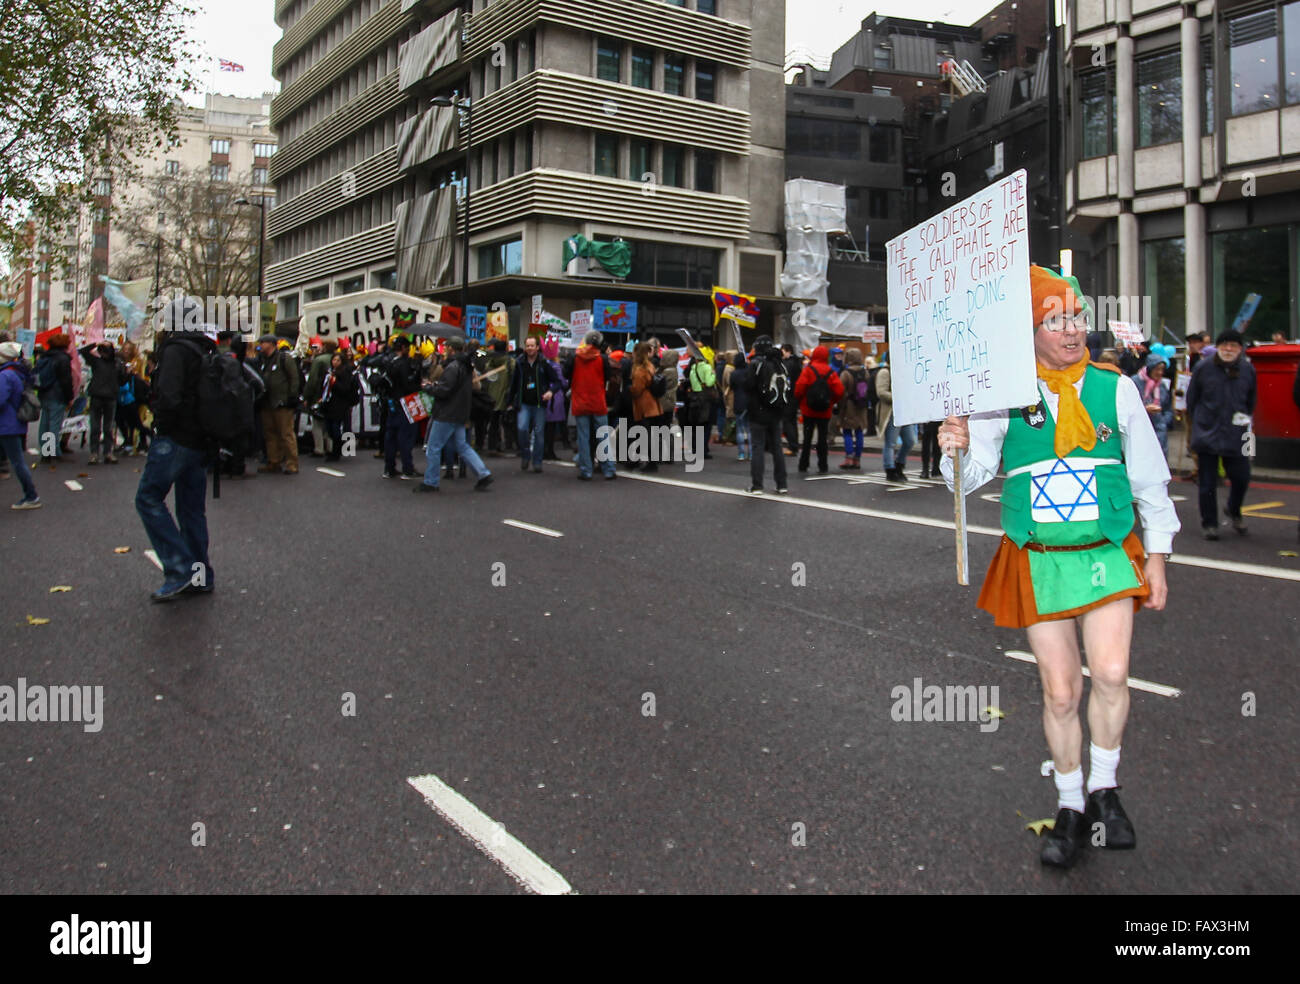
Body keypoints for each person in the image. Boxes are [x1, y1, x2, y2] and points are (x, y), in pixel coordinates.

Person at [938, 265, 1179, 869]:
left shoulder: (1116, 387)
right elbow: (971, 481)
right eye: (1055, 321)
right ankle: (1070, 804)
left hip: (1106, 552)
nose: (1071, 331)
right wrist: (955, 448)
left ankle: (1106, 788)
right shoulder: (1001, 399)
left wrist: (1159, 558)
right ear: (1029, 331)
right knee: (1061, 690)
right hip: (1037, 556)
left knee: (1115, 672)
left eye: (1076, 318)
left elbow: (1150, 480)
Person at [135, 297, 218, 602]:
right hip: (200, 441)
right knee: (191, 509)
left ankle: (179, 568)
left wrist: (161, 425)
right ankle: (199, 574)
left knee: (147, 498)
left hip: (176, 438)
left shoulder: (175, 350)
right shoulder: (204, 348)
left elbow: (168, 397)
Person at [1185, 329, 1256, 540]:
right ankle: (1210, 524)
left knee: (1242, 477)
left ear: (1240, 349)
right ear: (1217, 347)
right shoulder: (1203, 368)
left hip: (1237, 433)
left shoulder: (1247, 370)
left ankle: (1234, 509)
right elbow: (1192, 400)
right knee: (1207, 482)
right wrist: (1198, 423)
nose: (1228, 349)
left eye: (1233, 345)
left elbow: (1251, 401)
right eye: (1224, 345)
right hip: (1208, 431)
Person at [413, 337, 493, 493]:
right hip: (461, 412)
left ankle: (431, 481)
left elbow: (445, 390)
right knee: (463, 446)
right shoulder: (466, 366)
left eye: (446, 346)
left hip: (446, 413)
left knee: (433, 447)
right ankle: (483, 473)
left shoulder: (453, 367)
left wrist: (430, 388)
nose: (445, 349)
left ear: (451, 348)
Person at [564, 330, 618, 481]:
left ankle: (586, 470)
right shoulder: (602, 359)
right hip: (598, 401)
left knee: (583, 437)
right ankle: (609, 469)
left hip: (580, 401)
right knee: (603, 436)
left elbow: (566, 374)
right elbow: (608, 376)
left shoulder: (575, 357)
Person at [743, 335, 790, 495]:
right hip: (776, 412)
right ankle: (782, 484)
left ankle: (757, 485)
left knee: (758, 447)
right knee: (777, 448)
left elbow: (748, 387)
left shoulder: (755, 364)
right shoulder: (780, 365)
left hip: (758, 413)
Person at [509, 335, 560, 473]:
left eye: (532, 345)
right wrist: (509, 402)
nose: (530, 348)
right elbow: (513, 384)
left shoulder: (544, 363)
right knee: (522, 428)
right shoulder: (519, 363)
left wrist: (551, 392)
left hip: (539, 403)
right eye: (528, 346)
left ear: (537, 347)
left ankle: (537, 461)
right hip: (523, 403)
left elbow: (557, 382)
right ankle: (525, 454)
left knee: (539, 433)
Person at [0, 341, 41, 509]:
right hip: (13, 422)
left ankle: (31, 496)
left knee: (17, 462)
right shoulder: (17, 372)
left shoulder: (5, 375)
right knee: (16, 461)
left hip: (6, 424)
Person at [375, 336, 422, 478]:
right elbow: (409, 385)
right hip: (407, 401)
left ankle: (389, 468)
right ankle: (407, 468)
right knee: (406, 437)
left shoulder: (387, 362)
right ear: (403, 348)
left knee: (391, 436)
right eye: (408, 347)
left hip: (391, 402)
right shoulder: (406, 364)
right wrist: (418, 380)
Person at [254, 334, 301, 475]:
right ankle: (274, 461)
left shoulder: (284, 358)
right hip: (267, 402)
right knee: (270, 434)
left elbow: (294, 378)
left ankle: (292, 464)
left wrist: (292, 397)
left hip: (282, 402)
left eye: (263, 342)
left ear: (271, 344)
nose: (261, 345)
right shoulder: (262, 360)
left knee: (286, 434)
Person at [794, 345, 844, 475]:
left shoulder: (808, 370)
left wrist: (801, 402)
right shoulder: (830, 371)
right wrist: (831, 402)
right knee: (822, 438)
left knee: (807, 438)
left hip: (808, 410)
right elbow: (839, 390)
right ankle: (823, 465)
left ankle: (803, 464)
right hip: (824, 410)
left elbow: (799, 389)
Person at [78, 340, 126, 464]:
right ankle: (96, 453)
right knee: (96, 427)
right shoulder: (97, 361)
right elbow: (82, 351)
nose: (104, 352)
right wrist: (96, 343)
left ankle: (106, 453)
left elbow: (122, 381)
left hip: (107, 397)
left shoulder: (116, 364)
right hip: (98, 397)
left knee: (107, 427)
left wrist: (126, 373)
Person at [34, 333, 74, 463]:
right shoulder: (63, 358)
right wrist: (69, 397)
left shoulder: (44, 357)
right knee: (55, 424)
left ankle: (46, 451)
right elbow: (65, 380)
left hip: (44, 392)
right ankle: (53, 452)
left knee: (44, 423)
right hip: (57, 394)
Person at [876, 355, 915, 482]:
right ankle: (890, 470)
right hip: (891, 412)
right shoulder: (885, 371)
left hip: (903, 411)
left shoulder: (901, 371)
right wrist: (898, 397)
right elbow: (881, 392)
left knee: (910, 441)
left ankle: (899, 464)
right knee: (891, 442)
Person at [628, 341, 662, 472]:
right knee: (650, 434)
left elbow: (637, 389)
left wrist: (629, 389)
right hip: (653, 403)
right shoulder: (650, 366)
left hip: (644, 404)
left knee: (643, 434)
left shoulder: (639, 370)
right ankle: (649, 461)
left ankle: (648, 463)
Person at [1131, 353, 1173, 458]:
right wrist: (1144, 410)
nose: (1160, 373)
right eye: (1157, 369)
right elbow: (1128, 407)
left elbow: (1168, 408)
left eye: (1162, 369)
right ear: (1150, 368)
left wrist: (1164, 421)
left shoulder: (1161, 385)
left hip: (1159, 432)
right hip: (1140, 430)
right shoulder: (1134, 382)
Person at [320, 350, 359, 462]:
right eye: (334, 360)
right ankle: (337, 448)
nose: (335, 362)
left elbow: (345, 389)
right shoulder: (330, 371)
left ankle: (336, 451)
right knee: (329, 428)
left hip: (339, 404)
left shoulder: (345, 372)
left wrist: (334, 383)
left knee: (335, 428)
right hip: (329, 403)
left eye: (338, 360)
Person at [303, 338, 338, 458]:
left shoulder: (319, 360)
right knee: (331, 422)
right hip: (335, 395)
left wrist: (307, 396)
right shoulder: (338, 359)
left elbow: (312, 380)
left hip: (319, 394)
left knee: (317, 423)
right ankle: (331, 447)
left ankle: (319, 448)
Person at [838, 348, 869, 470]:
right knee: (859, 431)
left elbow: (840, 392)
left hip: (849, 405)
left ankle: (848, 458)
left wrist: (840, 407)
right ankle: (857, 459)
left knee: (847, 431)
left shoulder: (846, 373)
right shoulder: (865, 372)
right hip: (861, 405)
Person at [541, 337, 569, 461]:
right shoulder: (557, 366)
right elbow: (563, 382)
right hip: (555, 397)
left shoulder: (541, 364)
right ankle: (549, 451)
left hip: (544, 395)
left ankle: (544, 451)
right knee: (551, 427)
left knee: (544, 426)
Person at [730, 351, 750, 462]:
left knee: (740, 430)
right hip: (749, 402)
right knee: (749, 429)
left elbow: (732, 386)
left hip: (738, 402)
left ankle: (741, 453)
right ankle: (751, 453)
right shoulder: (749, 372)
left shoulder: (734, 373)